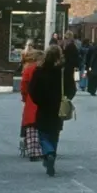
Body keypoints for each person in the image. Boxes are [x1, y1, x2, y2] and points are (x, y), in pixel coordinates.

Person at [28, 45, 66, 177]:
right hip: (57, 107)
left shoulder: (38, 71)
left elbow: (31, 89)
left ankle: (48, 152)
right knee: (55, 133)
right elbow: (70, 87)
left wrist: (38, 101)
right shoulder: (61, 72)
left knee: (43, 133)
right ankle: (52, 155)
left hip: (43, 106)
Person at [19, 48, 44, 161]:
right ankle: (44, 149)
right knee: (43, 126)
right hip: (44, 100)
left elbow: (24, 86)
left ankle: (32, 150)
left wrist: (25, 97)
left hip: (31, 99)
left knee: (31, 126)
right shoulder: (45, 69)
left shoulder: (28, 70)